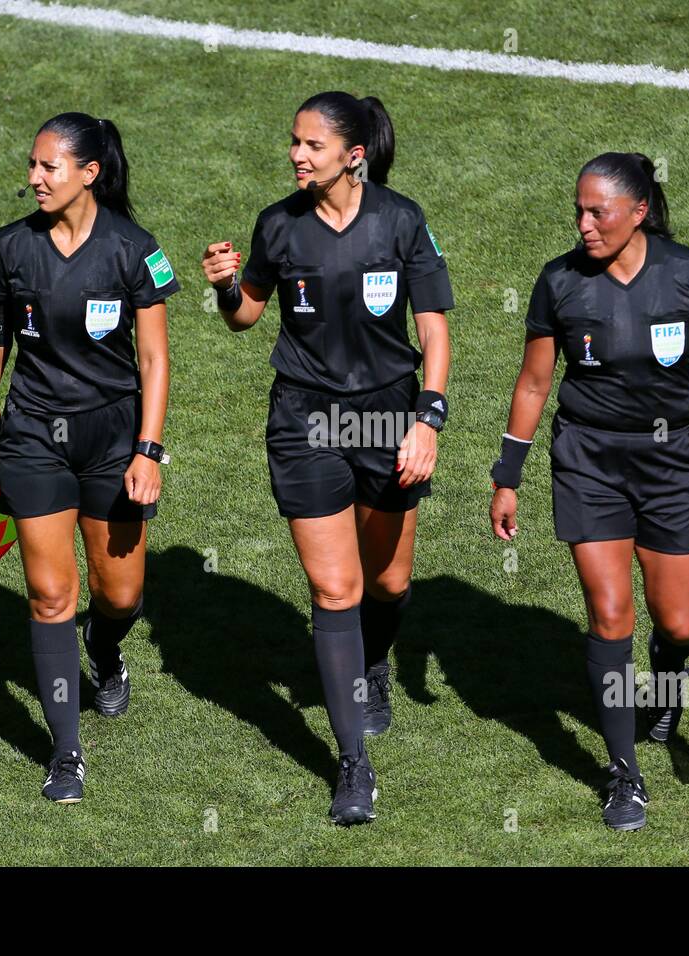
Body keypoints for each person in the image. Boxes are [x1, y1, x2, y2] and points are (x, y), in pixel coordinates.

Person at [201, 91, 453, 825]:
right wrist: (224, 288)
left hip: (388, 414)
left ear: (352, 155)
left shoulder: (401, 221)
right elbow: (247, 314)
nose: (295, 155)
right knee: (335, 589)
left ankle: (375, 663)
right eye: (293, 142)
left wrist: (427, 419)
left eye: (310, 145)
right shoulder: (278, 225)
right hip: (305, 418)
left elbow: (433, 332)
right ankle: (352, 765)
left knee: (390, 579)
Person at [489, 152, 689, 831]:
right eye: (578, 211)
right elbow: (532, 384)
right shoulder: (559, 282)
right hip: (588, 463)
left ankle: (666, 683)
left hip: (672, 467)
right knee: (611, 615)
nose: (583, 224)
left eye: (596, 212)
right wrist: (507, 475)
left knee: (680, 625)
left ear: (638, 212)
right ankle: (623, 774)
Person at [0, 112, 180, 803]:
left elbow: (154, 358)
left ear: (89, 173)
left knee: (119, 595)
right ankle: (66, 754)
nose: (33, 177)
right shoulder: (10, 248)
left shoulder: (135, 249)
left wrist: (148, 450)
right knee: (52, 595)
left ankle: (107, 650)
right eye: (32, 164)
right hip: (31, 436)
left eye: (48, 167)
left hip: (113, 439)